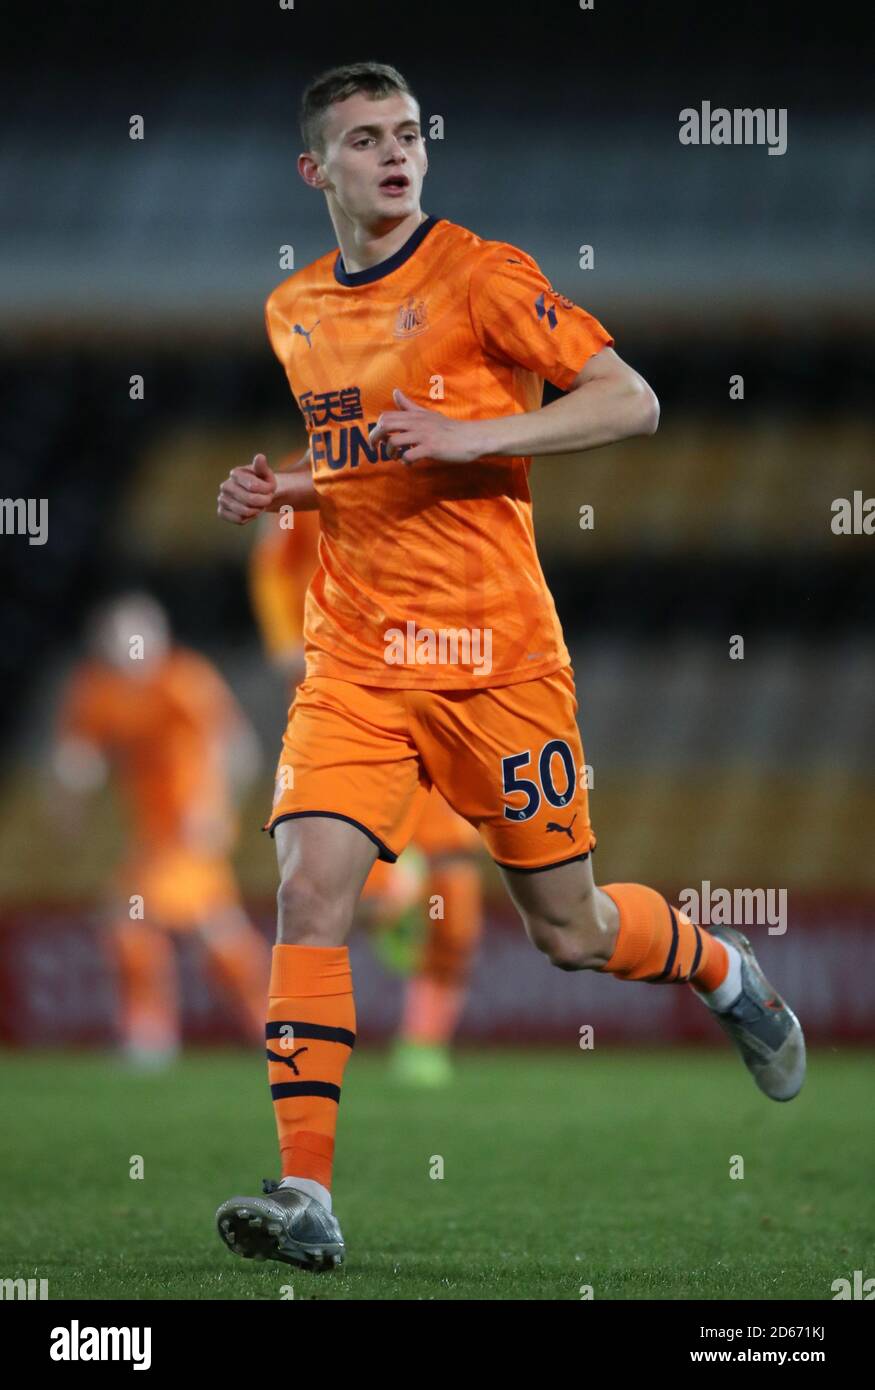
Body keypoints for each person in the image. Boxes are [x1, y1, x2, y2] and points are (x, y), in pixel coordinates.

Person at [215, 62, 805, 1273]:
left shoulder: (483, 275)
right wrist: (295, 483)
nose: (396, 154)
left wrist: (478, 432)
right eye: (366, 139)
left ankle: (724, 968)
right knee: (307, 893)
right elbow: (374, 453)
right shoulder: (293, 310)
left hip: (497, 663)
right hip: (359, 660)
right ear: (313, 170)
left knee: (569, 930)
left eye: (409, 133)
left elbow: (627, 401)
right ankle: (306, 1194)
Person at [249, 507, 484, 1085]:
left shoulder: (448, 446)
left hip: (438, 684)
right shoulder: (316, 467)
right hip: (347, 691)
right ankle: (396, 903)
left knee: (455, 886)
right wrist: (286, 640)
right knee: (364, 882)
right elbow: (272, 565)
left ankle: (424, 1042)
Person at [53, 592, 268, 1062]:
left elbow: (236, 747)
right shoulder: (99, 688)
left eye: (134, 636)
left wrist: (213, 808)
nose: (125, 647)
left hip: (190, 831)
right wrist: (72, 791)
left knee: (128, 917)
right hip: (153, 834)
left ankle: (149, 1036)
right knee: (216, 929)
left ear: (157, 636)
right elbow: (79, 752)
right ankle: (274, 1028)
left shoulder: (182, 680)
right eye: (114, 638)